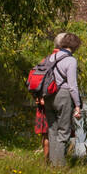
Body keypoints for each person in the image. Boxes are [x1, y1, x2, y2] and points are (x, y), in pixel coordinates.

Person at [45, 32, 83, 168]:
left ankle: (52, 164)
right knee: (63, 132)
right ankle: (59, 166)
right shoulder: (71, 60)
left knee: (52, 130)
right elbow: (73, 86)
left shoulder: (51, 57)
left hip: (48, 96)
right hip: (63, 95)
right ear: (75, 46)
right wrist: (77, 105)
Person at [33, 33, 66, 162]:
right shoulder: (64, 60)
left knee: (46, 133)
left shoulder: (45, 60)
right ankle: (57, 162)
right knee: (60, 131)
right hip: (56, 100)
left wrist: (37, 96)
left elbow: (35, 80)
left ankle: (47, 161)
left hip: (42, 100)